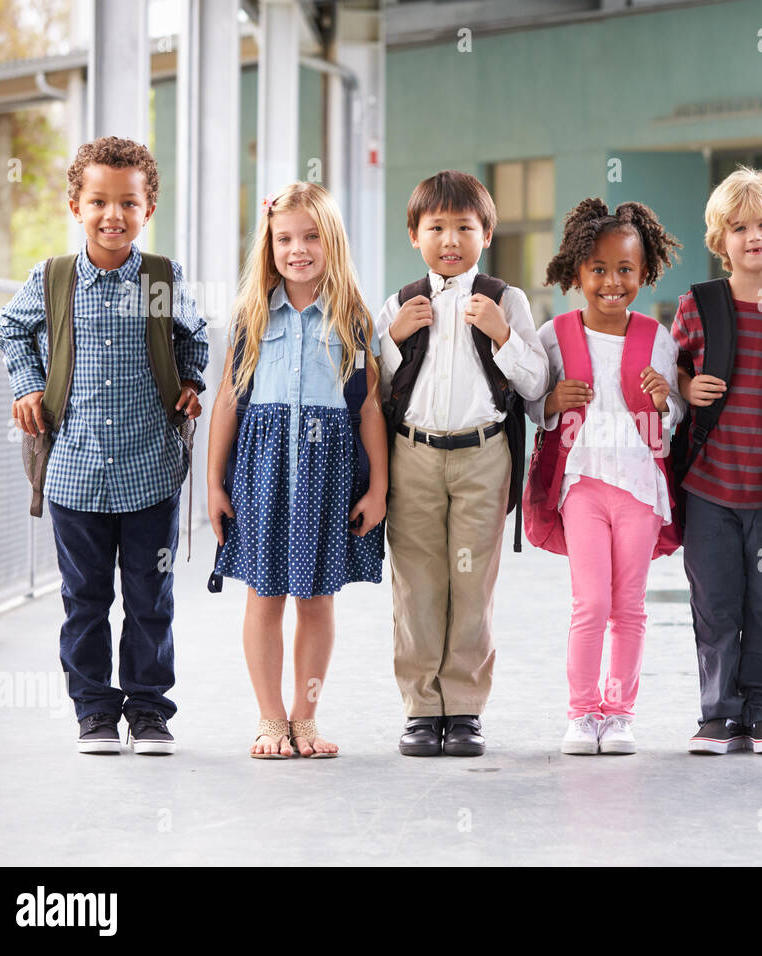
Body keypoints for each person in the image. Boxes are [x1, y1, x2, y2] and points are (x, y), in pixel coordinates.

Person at [0, 136, 207, 755]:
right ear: (75, 207)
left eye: (128, 203)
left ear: (148, 210)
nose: (112, 215)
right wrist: (28, 386)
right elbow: (13, 330)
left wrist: (193, 381)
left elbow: (191, 337)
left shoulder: (160, 279)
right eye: (98, 202)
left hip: (150, 470)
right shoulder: (54, 279)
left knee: (150, 598)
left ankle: (148, 711)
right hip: (73, 473)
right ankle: (93, 711)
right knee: (84, 600)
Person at [208, 182, 386, 759]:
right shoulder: (252, 317)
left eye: (311, 236)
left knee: (316, 599)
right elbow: (229, 402)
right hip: (261, 472)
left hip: (328, 475)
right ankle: (269, 719)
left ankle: (305, 720)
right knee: (264, 595)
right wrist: (214, 483)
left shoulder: (354, 319)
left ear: (331, 242)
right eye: (284, 238)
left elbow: (368, 408)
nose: (298, 249)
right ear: (270, 245)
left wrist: (378, 486)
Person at [377, 171, 548, 757]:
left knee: (472, 584)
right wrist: (394, 339)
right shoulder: (398, 304)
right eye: (437, 228)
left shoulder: (506, 300)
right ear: (414, 235)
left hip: (483, 455)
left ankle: (465, 707)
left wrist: (503, 336)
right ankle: (423, 708)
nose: (450, 240)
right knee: (417, 584)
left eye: (464, 228)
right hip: (413, 455)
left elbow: (536, 383)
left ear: (487, 233)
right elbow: (370, 388)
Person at [525, 198, 685, 755]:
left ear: (645, 273)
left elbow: (675, 416)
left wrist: (668, 402)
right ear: (576, 274)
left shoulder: (656, 337)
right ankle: (581, 713)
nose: (612, 281)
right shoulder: (555, 334)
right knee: (590, 603)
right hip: (583, 485)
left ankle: (618, 714)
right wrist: (550, 401)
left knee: (629, 606)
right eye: (598, 269)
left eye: (625, 270)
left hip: (640, 488)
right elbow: (533, 405)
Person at [671, 167, 762, 755]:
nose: (753, 236)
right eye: (739, 227)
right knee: (716, 602)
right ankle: (718, 713)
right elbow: (671, 367)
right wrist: (685, 386)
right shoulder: (698, 305)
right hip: (709, 488)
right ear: (719, 241)